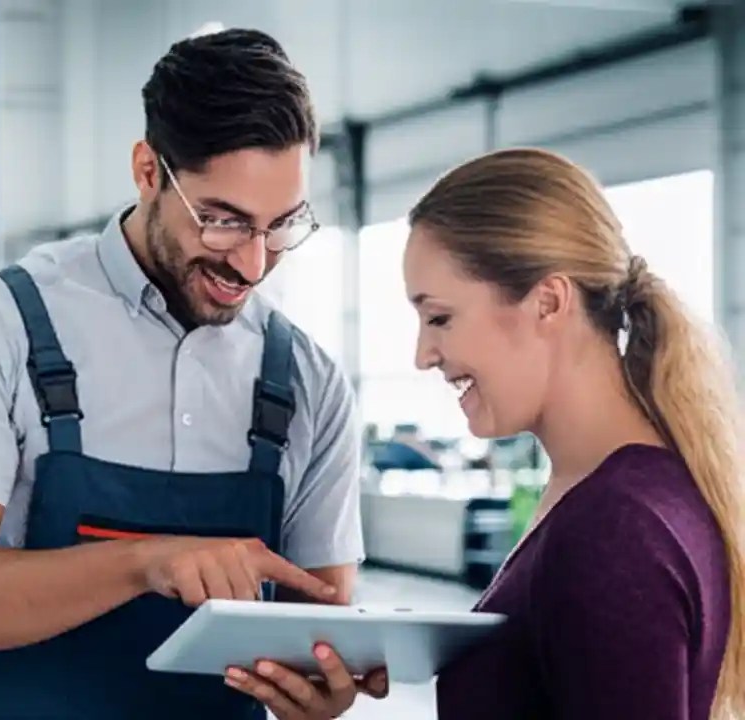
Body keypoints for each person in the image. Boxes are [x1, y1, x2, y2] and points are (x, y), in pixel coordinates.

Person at [0, 27, 379, 720]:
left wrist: (323, 691)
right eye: (222, 220)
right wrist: (144, 563)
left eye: (281, 226)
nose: (252, 263)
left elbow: (319, 627)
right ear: (148, 171)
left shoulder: (309, 382)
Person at [257, 147, 745, 719]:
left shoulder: (613, 529)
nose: (423, 354)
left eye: (439, 317)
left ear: (549, 302)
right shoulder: (635, 493)